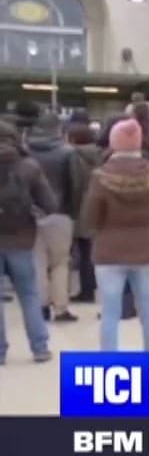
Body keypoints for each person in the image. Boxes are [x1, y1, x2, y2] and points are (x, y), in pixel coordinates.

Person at [80, 119, 149, 351]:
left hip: (109, 251)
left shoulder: (100, 176)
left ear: (114, 143)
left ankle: (110, 362)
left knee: (110, 313)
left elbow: (90, 217)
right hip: (146, 249)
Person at [0, 120, 57, 364]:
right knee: (29, 294)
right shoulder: (29, 166)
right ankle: (39, 347)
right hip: (21, 238)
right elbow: (50, 204)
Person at [24, 112, 77, 322]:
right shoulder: (68, 152)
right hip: (61, 214)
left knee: (37, 261)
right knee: (61, 262)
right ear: (58, 129)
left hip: (32, 213)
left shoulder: (26, 151)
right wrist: (72, 211)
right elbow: (75, 184)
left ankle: (41, 306)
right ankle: (61, 307)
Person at [66, 122, 102, 304]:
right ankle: (90, 286)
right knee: (89, 249)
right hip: (95, 204)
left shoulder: (73, 156)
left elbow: (75, 184)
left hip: (80, 206)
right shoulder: (98, 154)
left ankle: (86, 290)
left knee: (82, 249)